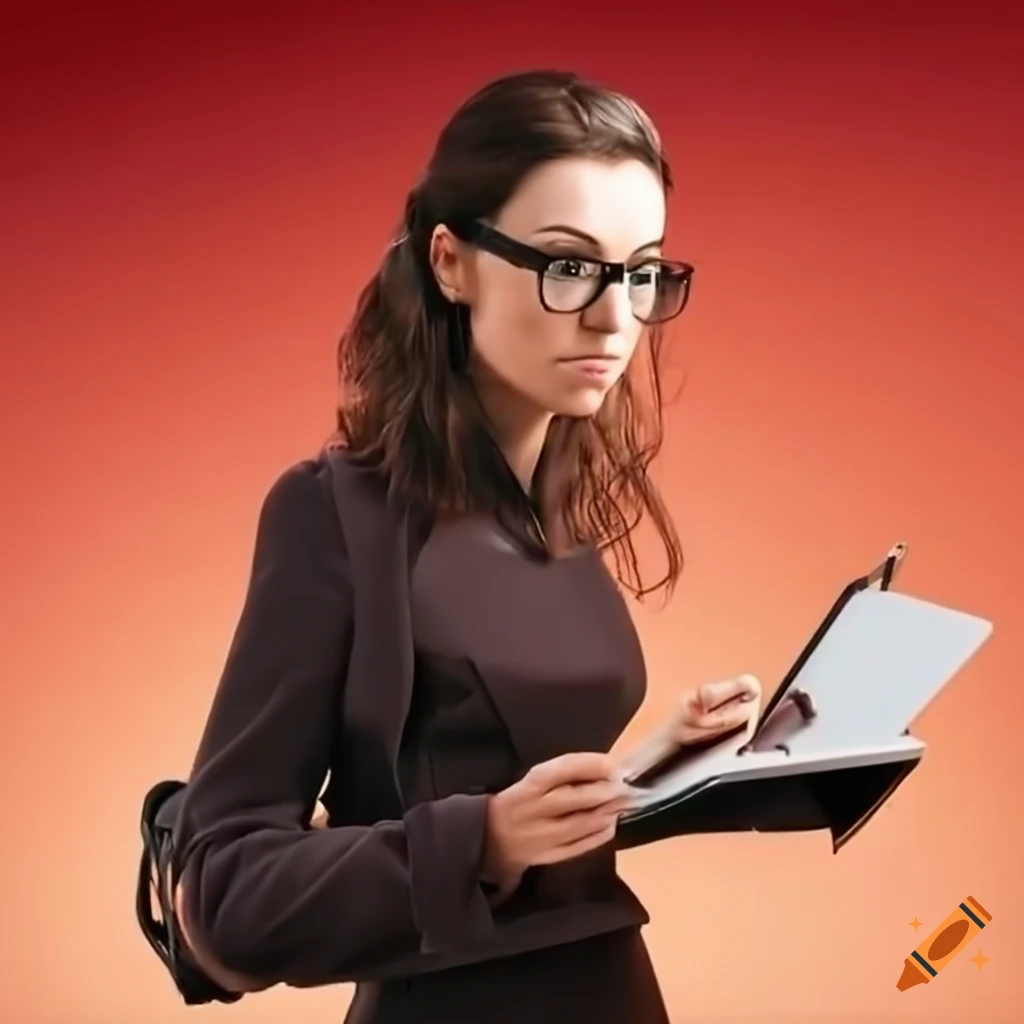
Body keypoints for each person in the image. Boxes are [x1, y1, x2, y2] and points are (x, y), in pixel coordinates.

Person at [169, 69, 763, 1023]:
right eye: (569, 267)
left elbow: (518, 785)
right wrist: (479, 839)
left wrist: (656, 769)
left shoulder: (558, 507)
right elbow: (226, 893)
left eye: (641, 272)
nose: (615, 318)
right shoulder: (335, 514)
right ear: (451, 262)